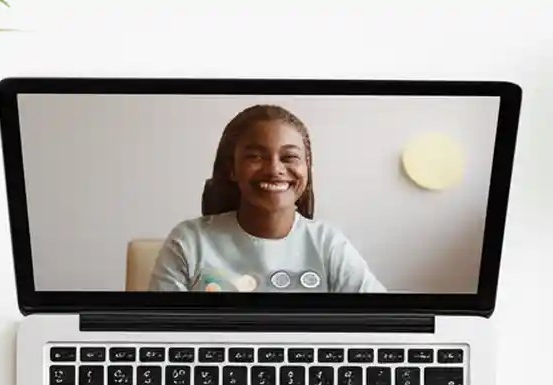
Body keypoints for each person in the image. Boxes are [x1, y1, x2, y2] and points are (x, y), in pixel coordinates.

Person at [148, 104, 385, 293]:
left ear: (307, 167)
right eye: (256, 156)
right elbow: (161, 332)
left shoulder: (329, 244)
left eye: (289, 157)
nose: (274, 169)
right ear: (232, 168)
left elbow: (379, 322)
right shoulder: (189, 241)